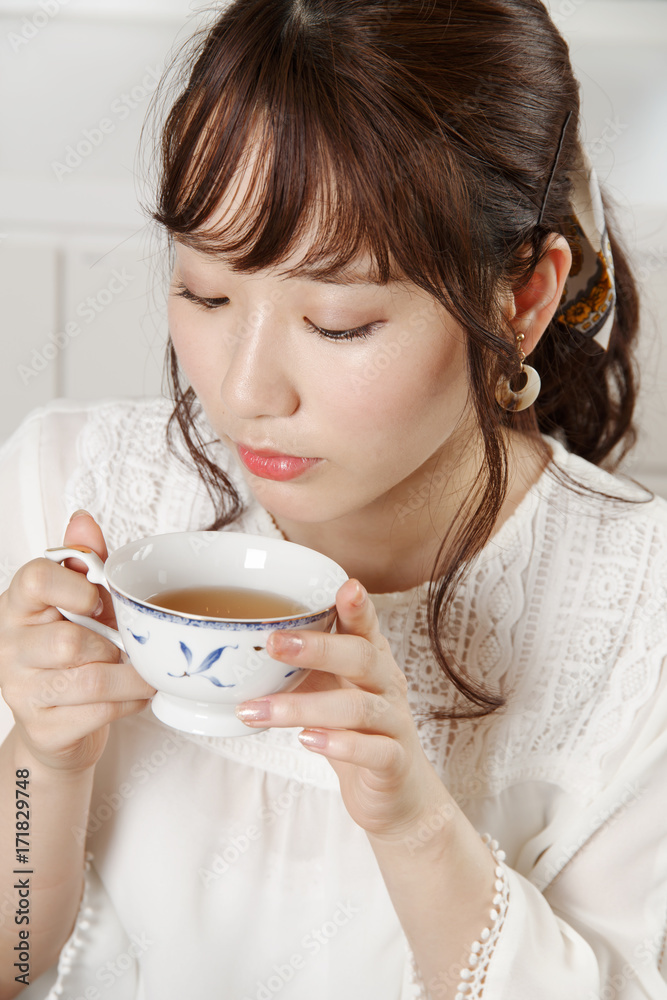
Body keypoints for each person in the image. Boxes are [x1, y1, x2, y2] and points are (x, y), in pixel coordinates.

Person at [1, 0, 666, 997]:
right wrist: (40, 767)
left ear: (521, 299)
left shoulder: (640, 617)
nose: (244, 392)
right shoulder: (70, 489)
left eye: (339, 322)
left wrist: (416, 826)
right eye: (206, 293)